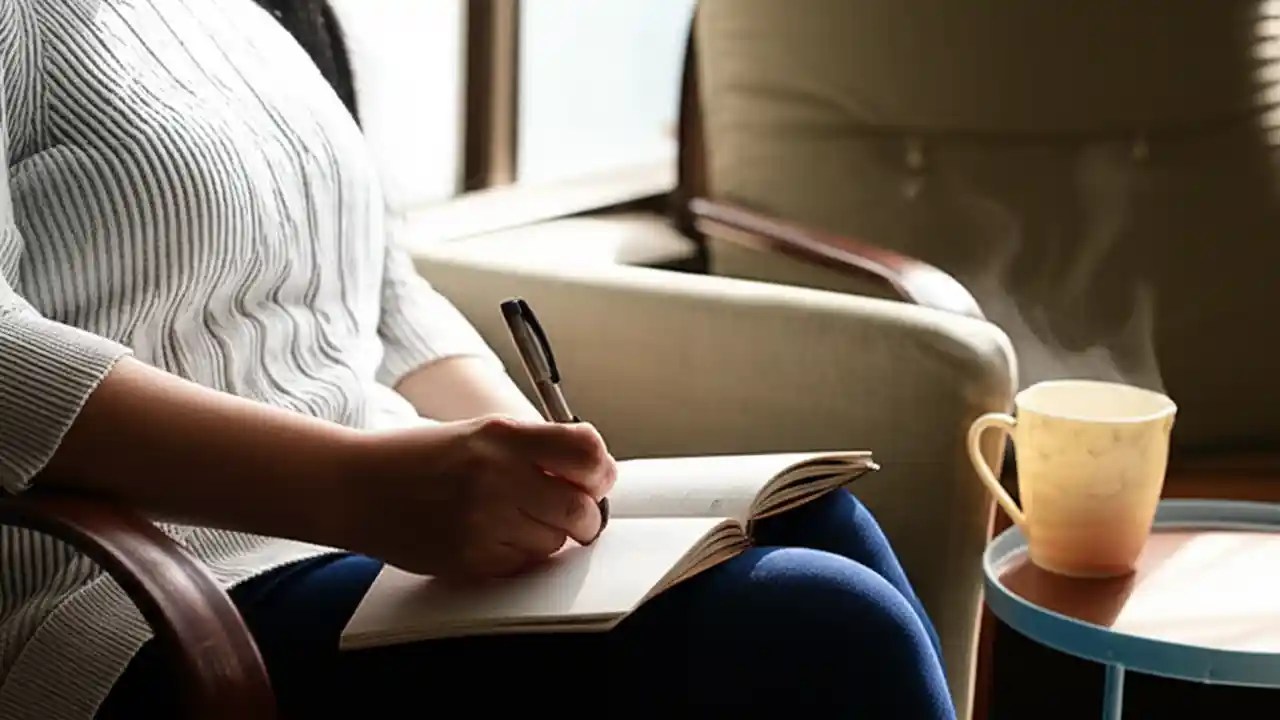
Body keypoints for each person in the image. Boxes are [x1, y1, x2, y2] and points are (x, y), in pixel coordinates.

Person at [0, 0, 955, 717]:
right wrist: (363, 489)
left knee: (823, 521)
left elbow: (383, 284)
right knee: (819, 623)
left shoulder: (265, 16)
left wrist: (527, 461)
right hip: (155, 582)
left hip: (369, 532)